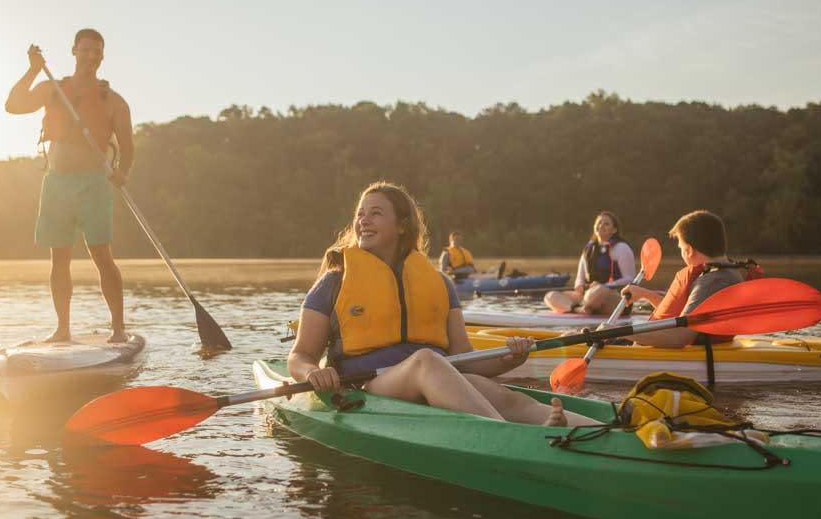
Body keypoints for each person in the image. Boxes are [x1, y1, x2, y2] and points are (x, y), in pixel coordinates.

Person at [288, 181, 595, 427]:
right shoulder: (334, 281)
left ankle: (598, 430)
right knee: (427, 361)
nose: (362, 221)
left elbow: (464, 359)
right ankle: (513, 438)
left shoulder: (439, 284)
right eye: (360, 213)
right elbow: (300, 356)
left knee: (508, 399)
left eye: (375, 213)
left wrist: (510, 360)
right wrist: (312, 373)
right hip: (369, 386)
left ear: (402, 226)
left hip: (440, 377)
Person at [5, 29, 134, 343]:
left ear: (102, 56)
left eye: (96, 52)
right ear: (74, 51)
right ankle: (63, 329)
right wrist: (34, 69)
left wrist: (122, 171)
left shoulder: (115, 102)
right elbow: (13, 105)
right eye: (85, 50)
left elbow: (128, 147)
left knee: (102, 256)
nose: (91, 56)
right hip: (57, 184)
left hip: (94, 184)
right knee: (58, 258)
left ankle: (118, 329)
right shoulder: (53, 89)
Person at [621, 210, 743, 348]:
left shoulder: (711, 282)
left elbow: (679, 337)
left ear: (689, 250)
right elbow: (681, 313)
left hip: (685, 356)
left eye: (681, 247)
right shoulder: (728, 272)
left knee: (610, 337)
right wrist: (645, 294)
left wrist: (618, 332)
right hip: (707, 348)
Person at [544, 211, 635, 315]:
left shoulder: (621, 248)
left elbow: (629, 279)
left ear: (614, 230)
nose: (601, 226)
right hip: (588, 296)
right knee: (550, 296)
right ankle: (576, 309)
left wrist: (605, 285)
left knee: (598, 291)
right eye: (599, 223)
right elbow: (579, 279)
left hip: (613, 299)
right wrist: (580, 286)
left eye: (606, 224)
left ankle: (584, 307)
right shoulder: (588, 250)